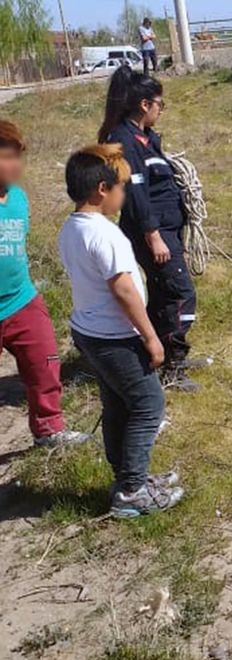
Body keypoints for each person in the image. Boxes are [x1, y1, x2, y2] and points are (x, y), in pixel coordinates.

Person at [59, 144, 183, 518]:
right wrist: (150, 336)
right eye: (121, 187)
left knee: (117, 405)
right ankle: (131, 492)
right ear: (102, 189)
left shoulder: (71, 227)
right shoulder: (104, 234)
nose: (124, 194)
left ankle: (129, 477)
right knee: (148, 406)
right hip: (116, 338)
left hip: (89, 331)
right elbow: (124, 290)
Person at [98, 66, 203, 392]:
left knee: (161, 293)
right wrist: (153, 235)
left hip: (168, 229)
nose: (162, 109)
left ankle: (165, 352)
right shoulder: (125, 140)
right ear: (144, 104)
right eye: (160, 103)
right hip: (154, 233)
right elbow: (137, 193)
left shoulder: (146, 138)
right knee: (179, 294)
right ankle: (173, 365)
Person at [0, 122, 89, 448]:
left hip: (21, 299)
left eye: (17, 157)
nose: (15, 166)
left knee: (45, 364)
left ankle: (49, 430)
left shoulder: (19, 200)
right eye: (6, 157)